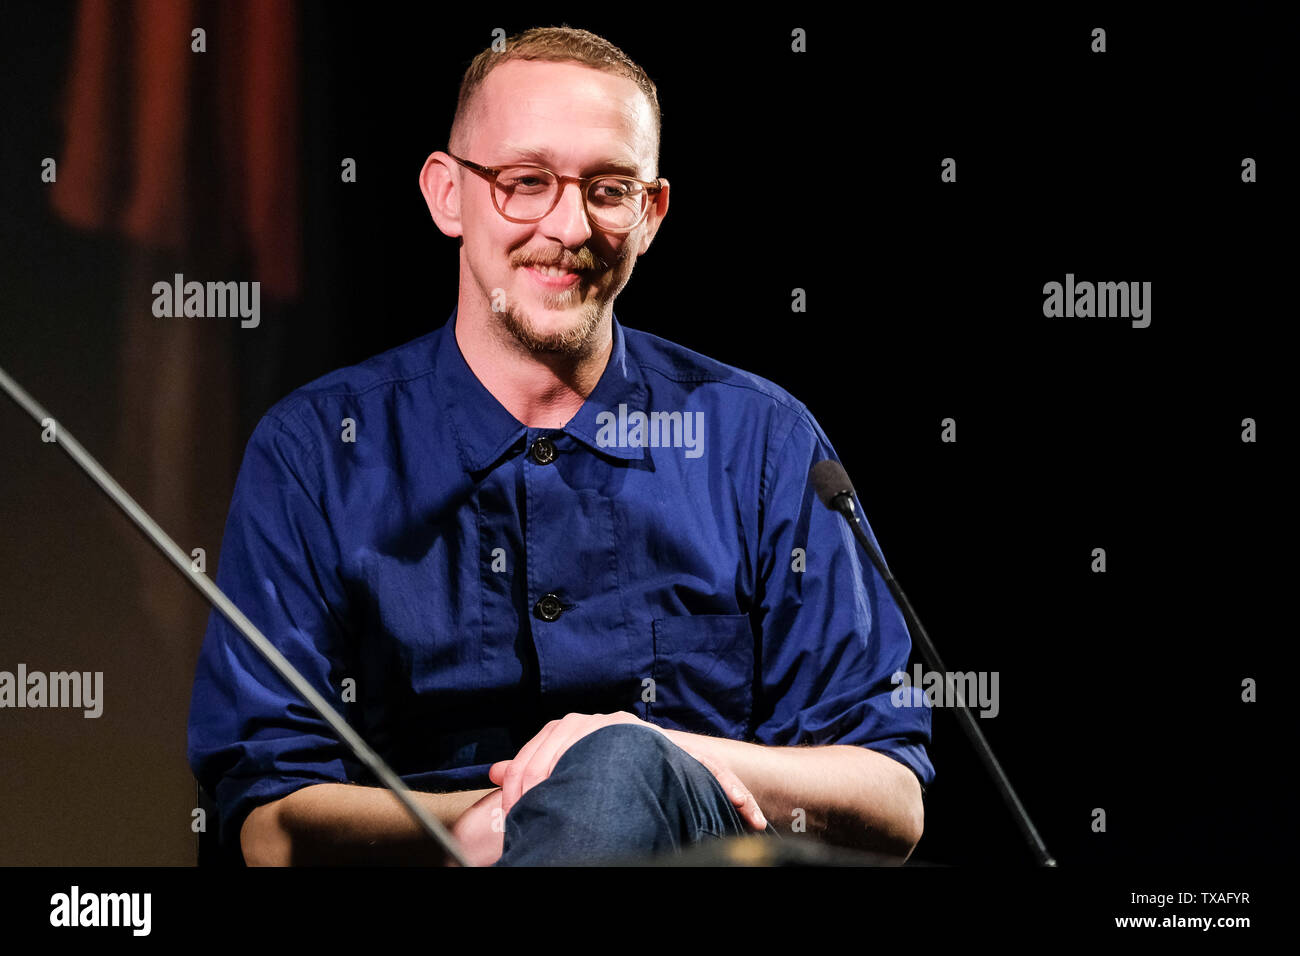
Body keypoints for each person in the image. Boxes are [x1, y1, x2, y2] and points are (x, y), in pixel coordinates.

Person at [187, 26, 933, 867]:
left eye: (609, 189)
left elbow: (891, 795)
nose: (568, 224)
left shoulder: (761, 443)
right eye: (526, 182)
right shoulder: (314, 453)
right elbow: (265, 816)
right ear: (446, 196)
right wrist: (485, 820)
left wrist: (661, 761)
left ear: (650, 215)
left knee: (619, 763)